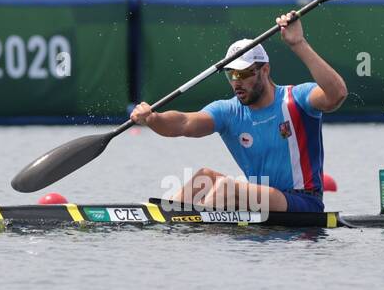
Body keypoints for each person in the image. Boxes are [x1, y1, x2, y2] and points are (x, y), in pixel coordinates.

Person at [128, 11, 347, 212]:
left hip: (304, 202)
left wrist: (298, 43)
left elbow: (337, 94)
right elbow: (184, 123)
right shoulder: (229, 111)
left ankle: (192, 221)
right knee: (203, 178)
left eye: (243, 74)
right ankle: (167, 219)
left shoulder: (296, 99)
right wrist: (153, 118)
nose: (236, 82)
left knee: (226, 188)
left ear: (265, 70)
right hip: (259, 199)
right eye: (231, 74)